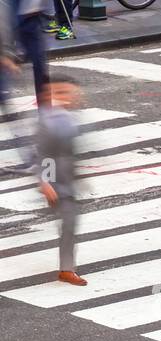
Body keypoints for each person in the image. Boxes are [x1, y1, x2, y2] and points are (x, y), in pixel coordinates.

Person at [32, 75, 82, 284]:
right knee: (69, 222)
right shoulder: (48, 123)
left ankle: (66, 269)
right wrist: (46, 183)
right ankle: (67, 270)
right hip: (56, 183)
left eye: (69, 92)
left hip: (67, 180)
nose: (69, 97)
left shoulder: (70, 118)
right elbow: (44, 155)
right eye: (60, 92)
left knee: (70, 223)